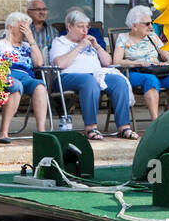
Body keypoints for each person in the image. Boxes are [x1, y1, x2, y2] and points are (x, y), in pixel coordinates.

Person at [49, 9, 138, 141]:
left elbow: (108, 62)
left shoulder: (90, 43)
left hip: (96, 74)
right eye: (80, 27)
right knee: (89, 81)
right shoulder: (60, 42)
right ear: (69, 27)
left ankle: (124, 127)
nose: (85, 30)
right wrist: (79, 47)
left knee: (119, 81)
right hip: (67, 77)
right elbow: (60, 64)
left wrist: (97, 46)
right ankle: (91, 127)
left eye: (87, 27)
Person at [113, 5, 169, 123]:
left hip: (156, 71)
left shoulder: (152, 36)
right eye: (147, 24)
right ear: (134, 25)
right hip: (134, 73)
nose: (151, 26)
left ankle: (166, 117)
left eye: (151, 23)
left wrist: (166, 63)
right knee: (151, 80)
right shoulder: (123, 38)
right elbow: (116, 61)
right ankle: (156, 122)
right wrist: (139, 63)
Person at [0, 11, 49, 143]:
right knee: (16, 85)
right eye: (22, 27)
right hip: (4, 75)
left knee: (40, 86)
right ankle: (3, 132)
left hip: (26, 77)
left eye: (27, 28)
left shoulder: (27, 46)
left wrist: (31, 39)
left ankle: (41, 133)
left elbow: (39, 63)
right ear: (10, 27)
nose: (26, 31)